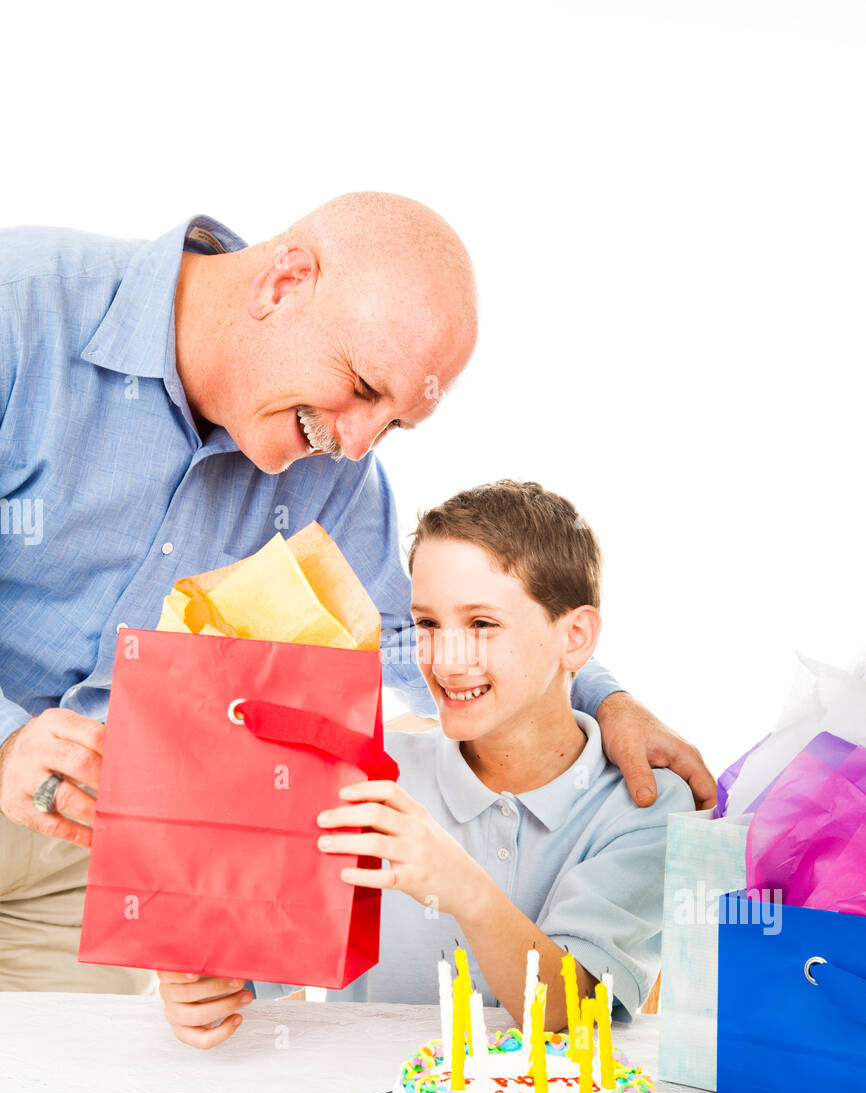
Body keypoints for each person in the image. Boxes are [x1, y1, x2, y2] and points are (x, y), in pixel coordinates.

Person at [0, 192, 713, 994]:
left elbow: (420, 642)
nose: (360, 441)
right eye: (364, 387)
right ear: (285, 283)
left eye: (394, 423)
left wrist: (602, 696)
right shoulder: (22, 312)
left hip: (78, 838)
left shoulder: (335, 476)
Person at [159, 480, 695, 1047]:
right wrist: (205, 983)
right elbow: (255, 956)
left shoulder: (645, 804)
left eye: (482, 625)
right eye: (428, 624)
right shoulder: (367, 774)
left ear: (576, 637)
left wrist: (462, 886)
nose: (444, 658)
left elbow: (576, 1011)